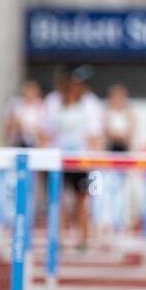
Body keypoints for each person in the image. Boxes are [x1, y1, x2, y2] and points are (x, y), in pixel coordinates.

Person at [44, 66, 104, 251]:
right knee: (57, 201)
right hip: (57, 160)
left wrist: (95, 163)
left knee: (83, 201)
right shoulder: (53, 102)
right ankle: (58, 239)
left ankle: (84, 240)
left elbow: (95, 136)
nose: (78, 87)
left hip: (82, 161)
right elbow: (44, 132)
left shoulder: (90, 103)